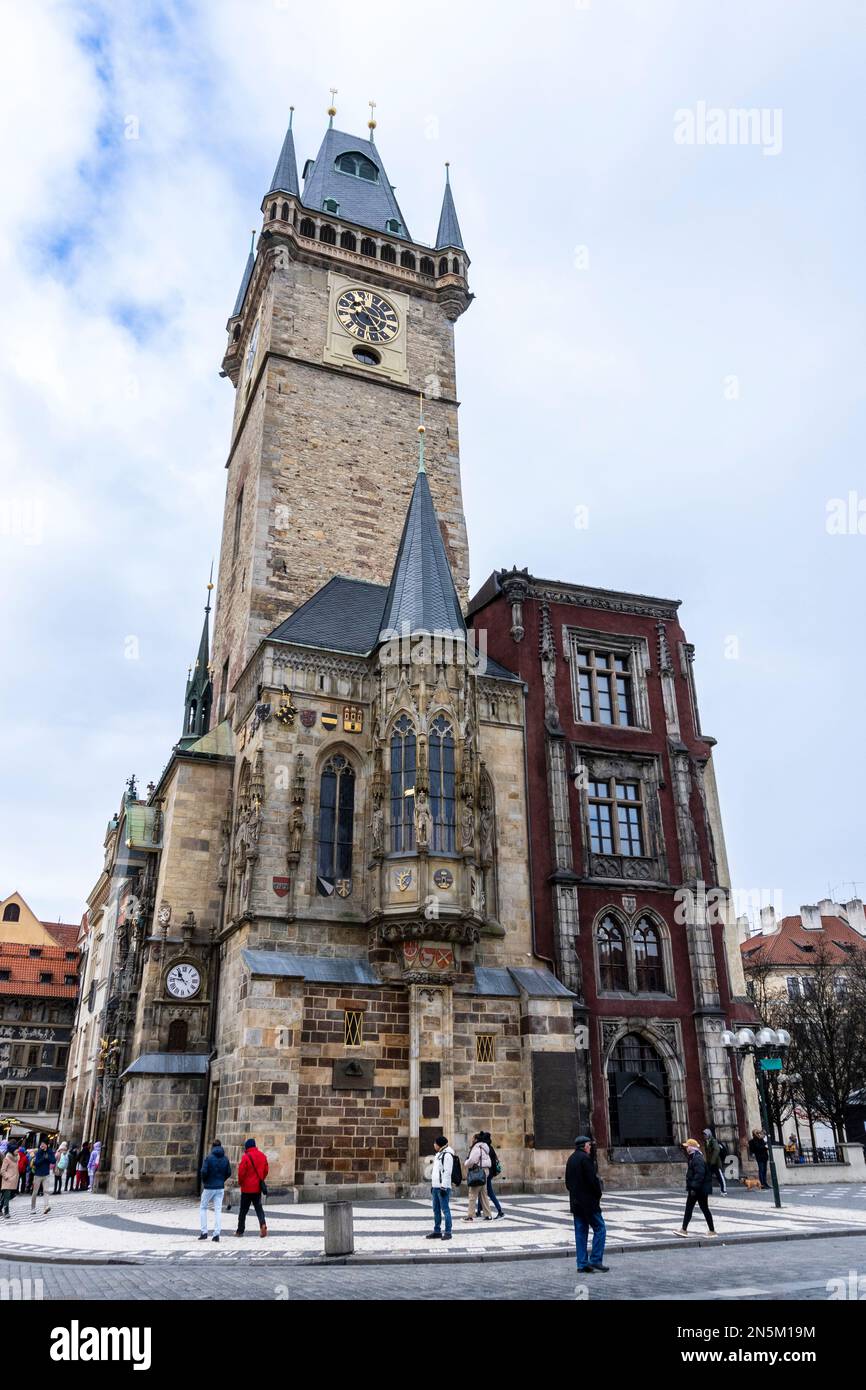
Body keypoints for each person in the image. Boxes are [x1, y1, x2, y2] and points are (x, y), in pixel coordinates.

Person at [565, 1135, 608, 1273]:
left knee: (580, 1233)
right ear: (584, 1146)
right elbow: (592, 1180)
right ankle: (595, 1259)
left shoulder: (571, 1159)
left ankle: (582, 1264)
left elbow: (567, 1183)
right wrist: (598, 1194)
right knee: (600, 1228)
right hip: (589, 1203)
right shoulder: (585, 1159)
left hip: (576, 1203)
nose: (590, 1147)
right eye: (589, 1145)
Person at [677, 1138, 716, 1237]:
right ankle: (711, 1230)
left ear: (691, 1147)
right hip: (700, 1188)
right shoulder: (695, 1157)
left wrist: (693, 1187)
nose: (686, 1148)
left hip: (698, 1189)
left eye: (687, 1146)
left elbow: (700, 1174)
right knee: (702, 1208)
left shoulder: (697, 1158)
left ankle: (684, 1230)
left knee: (691, 1208)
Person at [198, 1139, 231, 1243]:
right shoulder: (225, 1159)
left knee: (203, 1207)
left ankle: (204, 1232)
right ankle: (216, 1234)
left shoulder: (209, 1158)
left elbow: (203, 1171)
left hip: (209, 1187)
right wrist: (222, 1180)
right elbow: (229, 1172)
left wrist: (205, 1181)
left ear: (212, 1147)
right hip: (220, 1187)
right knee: (218, 1210)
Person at [235, 1138, 268, 1237]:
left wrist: (241, 1182)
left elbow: (241, 1173)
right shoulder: (262, 1156)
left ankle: (240, 1231)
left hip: (246, 1189)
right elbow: (266, 1170)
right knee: (258, 1208)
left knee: (243, 1211)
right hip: (257, 1188)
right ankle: (262, 1224)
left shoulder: (245, 1157)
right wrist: (261, 1179)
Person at [427, 1134, 454, 1241]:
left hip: (443, 1187)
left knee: (445, 1210)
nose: (434, 1144)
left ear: (439, 1144)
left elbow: (447, 1172)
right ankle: (437, 1231)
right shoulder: (439, 1154)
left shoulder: (447, 1155)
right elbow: (436, 1172)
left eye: (435, 1143)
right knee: (436, 1210)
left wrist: (443, 1187)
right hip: (436, 1187)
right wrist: (433, 1185)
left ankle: (448, 1232)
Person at [474, 1130, 504, 1219]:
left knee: (489, 1193)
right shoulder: (489, 1147)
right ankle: (479, 1211)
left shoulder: (487, 1148)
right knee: (481, 1191)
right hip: (488, 1173)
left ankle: (500, 1211)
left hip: (487, 1174)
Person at [463, 1132, 492, 1221]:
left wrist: (466, 1163)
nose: (471, 1140)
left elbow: (472, 1160)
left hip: (477, 1172)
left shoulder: (476, 1147)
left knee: (472, 1194)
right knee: (484, 1194)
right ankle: (488, 1214)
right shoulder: (485, 1147)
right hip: (485, 1171)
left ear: (476, 1139)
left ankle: (470, 1215)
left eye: (473, 1138)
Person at [30, 1141, 55, 1216]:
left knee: (46, 1191)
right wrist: (44, 1158)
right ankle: (33, 1208)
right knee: (35, 1192)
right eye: (42, 1145)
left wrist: (48, 1157)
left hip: (46, 1175)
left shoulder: (49, 1152)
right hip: (37, 1175)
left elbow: (53, 1161)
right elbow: (36, 1163)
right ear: (40, 1146)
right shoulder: (38, 1152)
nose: (43, 1146)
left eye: (44, 1145)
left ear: (47, 1145)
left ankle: (46, 1207)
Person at [703, 1127, 727, 1195]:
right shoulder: (706, 1142)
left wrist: (713, 1161)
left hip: (716, 1162)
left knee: (720, 1176)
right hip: (709, 1163)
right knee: (708, 1177)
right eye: (704, 1135)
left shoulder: (713, 1141)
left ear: (709, 1134)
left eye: (705, 1134)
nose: (704, 1136)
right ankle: (708, 1190)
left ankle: (723, 1190)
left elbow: (717, 1150)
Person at [1, 1147, 18, 1218]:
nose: (17, 1150)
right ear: (12, 1150)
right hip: (8, 1181)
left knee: (11, 1196)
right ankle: (6, 1212)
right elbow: (2, 1170)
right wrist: (7, 1177)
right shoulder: (7, 1158)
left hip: (14, 1181)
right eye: (16, 1149)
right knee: (7, 1197)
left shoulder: (16, 1158)